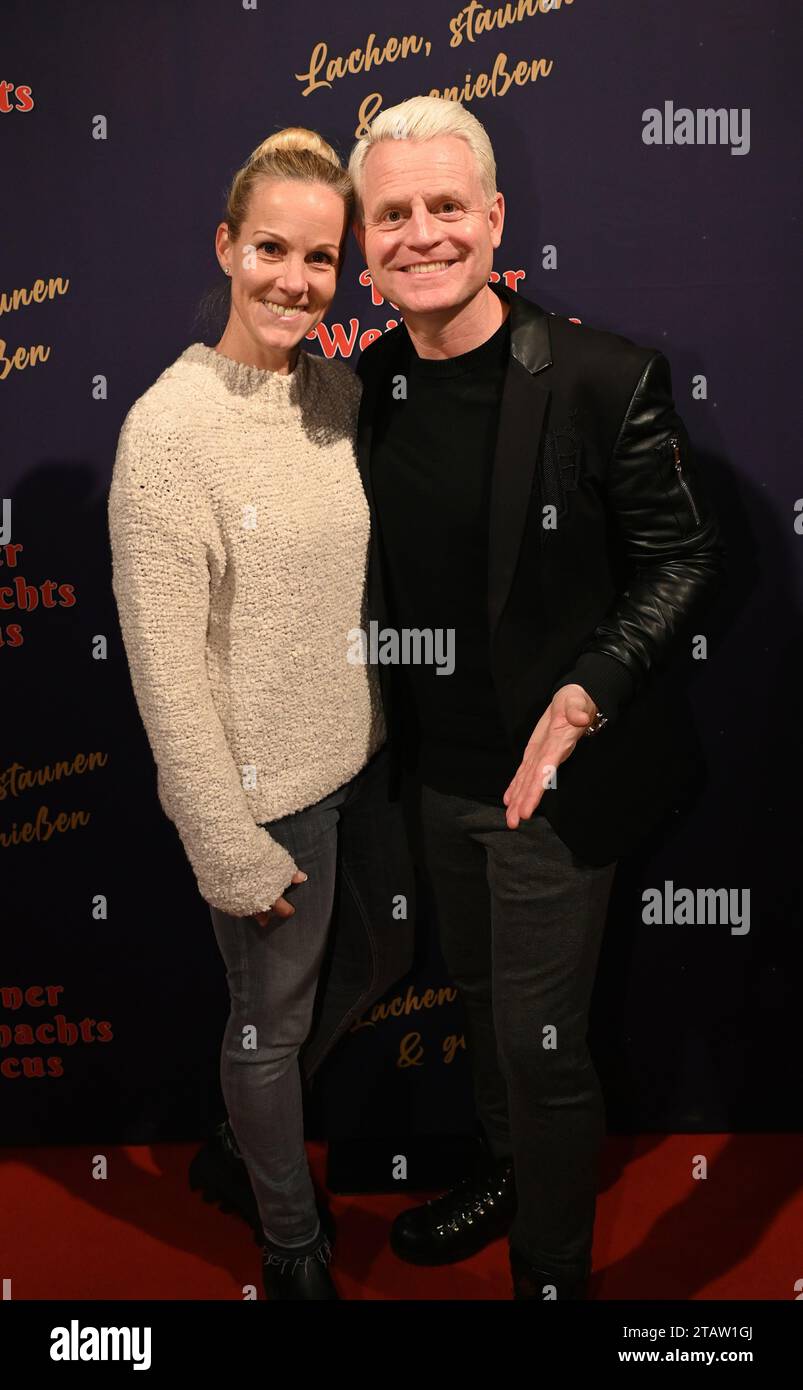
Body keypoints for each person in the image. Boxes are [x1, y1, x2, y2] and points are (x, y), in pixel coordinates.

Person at [347, 95, 726, 1300]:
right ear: (363, 242)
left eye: (445, 208)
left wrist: (584, 695)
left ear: (494, 218)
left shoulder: (600, 378)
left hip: (552, 784)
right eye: (391, 214)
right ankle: (511, 1173)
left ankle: (550, 1276)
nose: (421, 235)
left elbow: (681, 558)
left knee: (538, 1042)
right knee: (472, 1004)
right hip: (431, 774)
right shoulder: (367, 386)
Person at [107, 128, 414, 1301]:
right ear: (226, 247)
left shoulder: (332, 393)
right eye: (271, 248)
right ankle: (289, 1240)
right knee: (268, 1027)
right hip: (262, 800)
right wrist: (222, 837)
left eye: (321, 257)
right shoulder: (166, 434)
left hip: (358, 762)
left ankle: (242, 1139)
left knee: (373, 958)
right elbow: (165, 667)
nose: (295, 277)